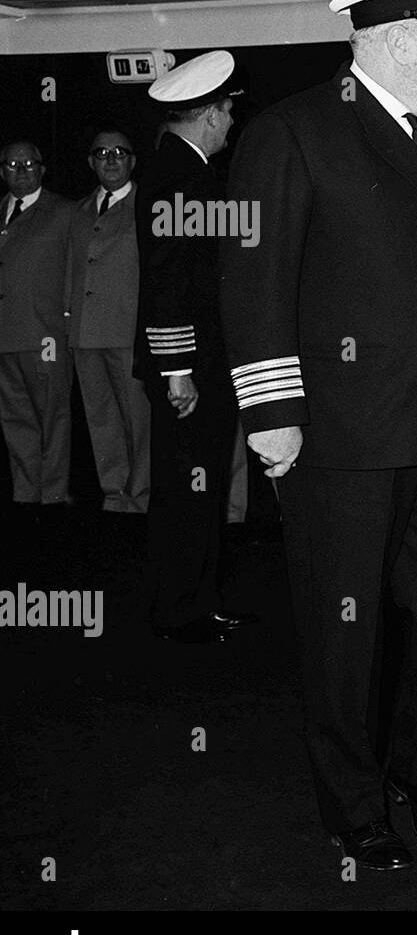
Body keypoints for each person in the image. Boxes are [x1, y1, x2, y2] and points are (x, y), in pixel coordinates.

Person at [219, 0, 417, 872]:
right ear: (396, 40)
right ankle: (352, 804)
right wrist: (272, 412)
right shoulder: (292, 132)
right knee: (345, 627)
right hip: (339, 433)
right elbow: (253, 279)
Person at [135, 52, 255, 645]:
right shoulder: (178, 176)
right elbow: (167, 278)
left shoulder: (188, 171)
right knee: (187, 489)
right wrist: (178, 368)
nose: (232, 121)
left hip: (202, 362)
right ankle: (180, 608)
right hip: (188, 366)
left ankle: (194, 600)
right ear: (209, 113)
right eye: (228, 110)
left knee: (195, 489)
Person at [67, 129, 151, 517]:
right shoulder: (79, 211)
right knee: (101, 420)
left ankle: (141, 495)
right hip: (85, 334)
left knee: (139, 421)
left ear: (133, 160)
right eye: (102, 153)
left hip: (128, 331)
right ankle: (114, 493)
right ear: (91, 162)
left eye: (120, 152)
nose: (111, 159)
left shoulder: (149, 205)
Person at [0, 140, 74, 522]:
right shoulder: (1, 211)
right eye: (13, 164)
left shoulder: (63, 212)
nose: (22, 169)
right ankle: (26, 493)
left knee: (53, 415)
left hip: (46, 335)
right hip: (6, 335)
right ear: (2, 171)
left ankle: (54, 494)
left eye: (30, 163)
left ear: (43, 169)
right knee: (15, 418)